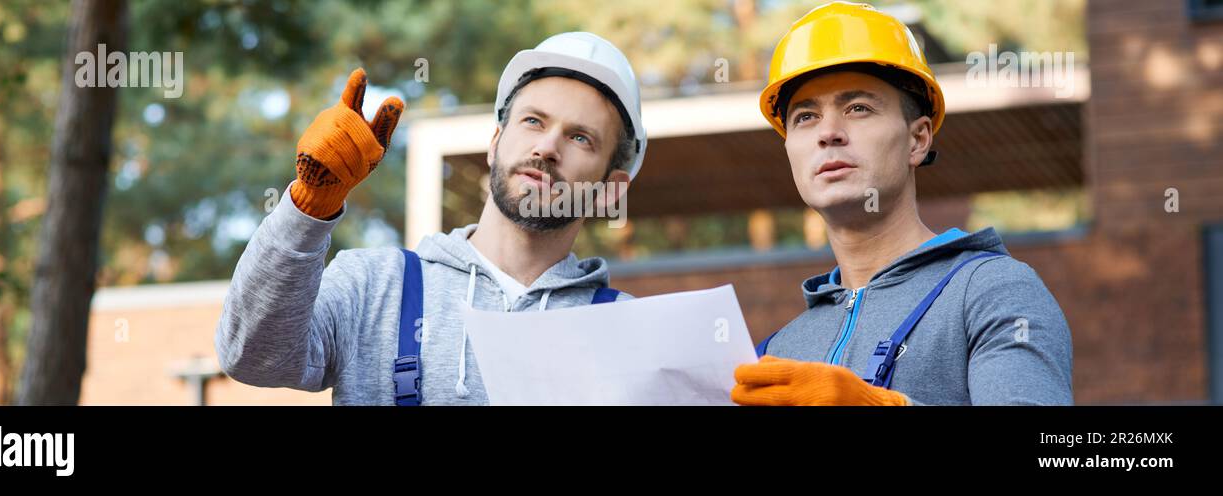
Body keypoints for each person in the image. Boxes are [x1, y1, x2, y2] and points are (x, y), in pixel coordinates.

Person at [216, 32, 647, 405]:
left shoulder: (631, 335)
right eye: (533, 121)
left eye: (580, 137)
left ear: (611, 190)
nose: (547, 147)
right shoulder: (377, 285)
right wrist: (309, 208)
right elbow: (253, 356)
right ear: (495, 143)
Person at [732, 2, 1073, 406]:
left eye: (858, 108)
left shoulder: (994, 291)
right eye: (805, 116)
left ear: (918, 140)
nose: (828, 133)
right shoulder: (777, 353)